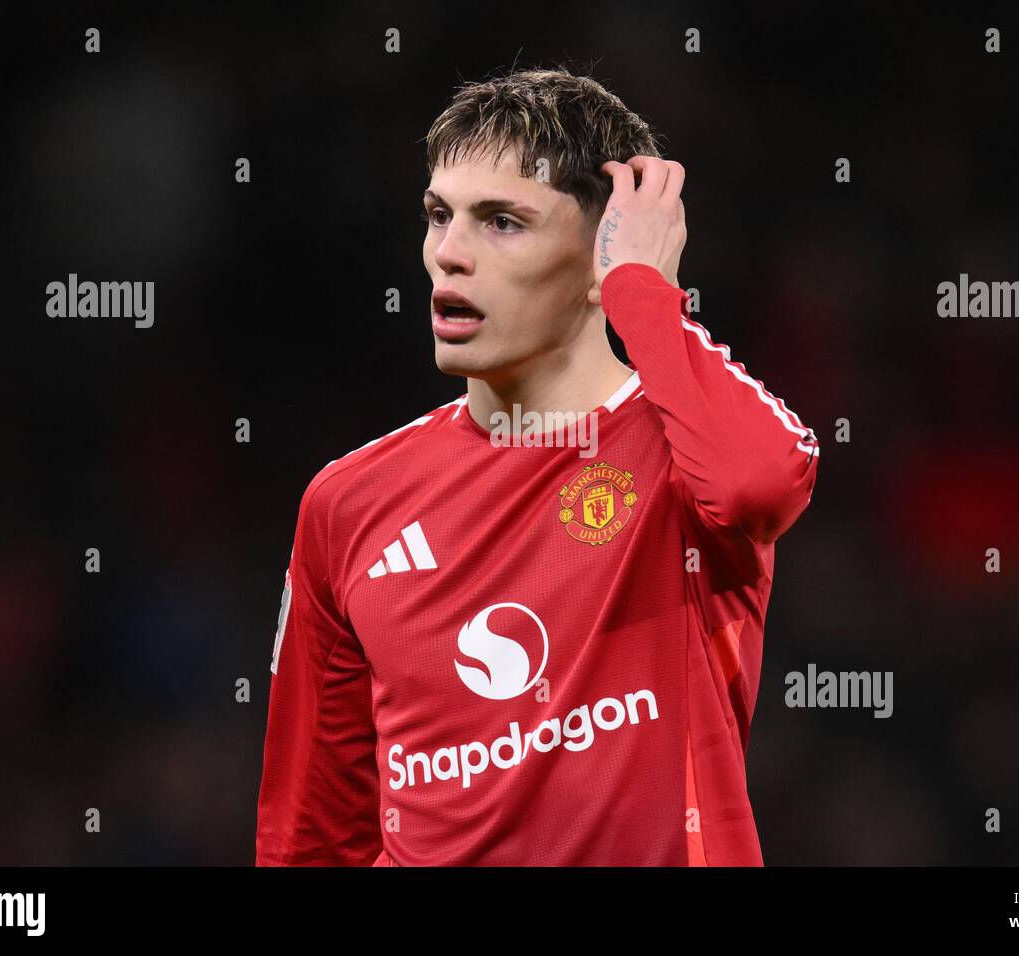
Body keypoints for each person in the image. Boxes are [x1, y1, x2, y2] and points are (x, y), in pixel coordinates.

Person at [256, 66, 819, 866]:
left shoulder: (681, 455)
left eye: (502, 222)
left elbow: (760, 482)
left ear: (604, 252)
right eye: (437, 215)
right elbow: (311, 830)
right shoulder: (349, 503)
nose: (448, 255)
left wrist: (643, 292)